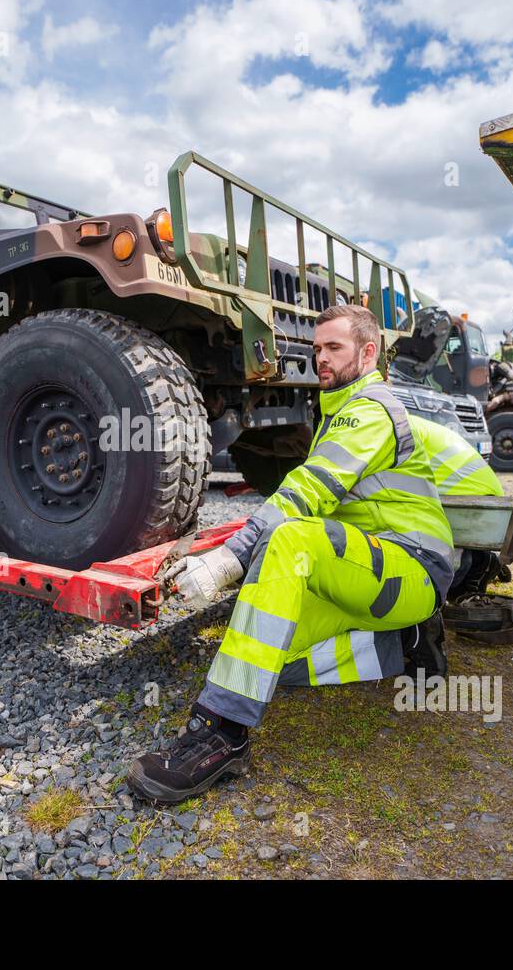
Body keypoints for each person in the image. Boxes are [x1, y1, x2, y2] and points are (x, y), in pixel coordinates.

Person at [125, 304, 454, 805]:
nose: (320, 358)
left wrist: (227, 559)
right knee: (268, 656)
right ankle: (405, 642)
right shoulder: (339, 409)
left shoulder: (370, 409)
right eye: (316, 348)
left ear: (369, 352)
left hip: (410, 568)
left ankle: (221, 735)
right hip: (362, 572)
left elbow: (309, 489)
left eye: (333, 348)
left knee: (288, 539)